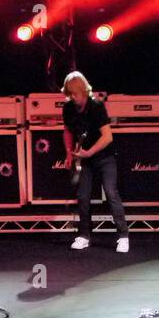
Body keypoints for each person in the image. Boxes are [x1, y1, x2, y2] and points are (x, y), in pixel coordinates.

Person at [62, 71, 129, 252]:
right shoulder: (68, 108)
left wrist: (89, 152)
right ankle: (84, 236)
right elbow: (67, 131)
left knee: (110, 192)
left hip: (104, 157)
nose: (72, 97)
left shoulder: (97, 106)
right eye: (69, 94)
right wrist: (69, 153)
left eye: (74, 93)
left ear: (84, 90)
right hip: (85, 159)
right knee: (83, 196)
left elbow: (107, 136)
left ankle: (123, 236)